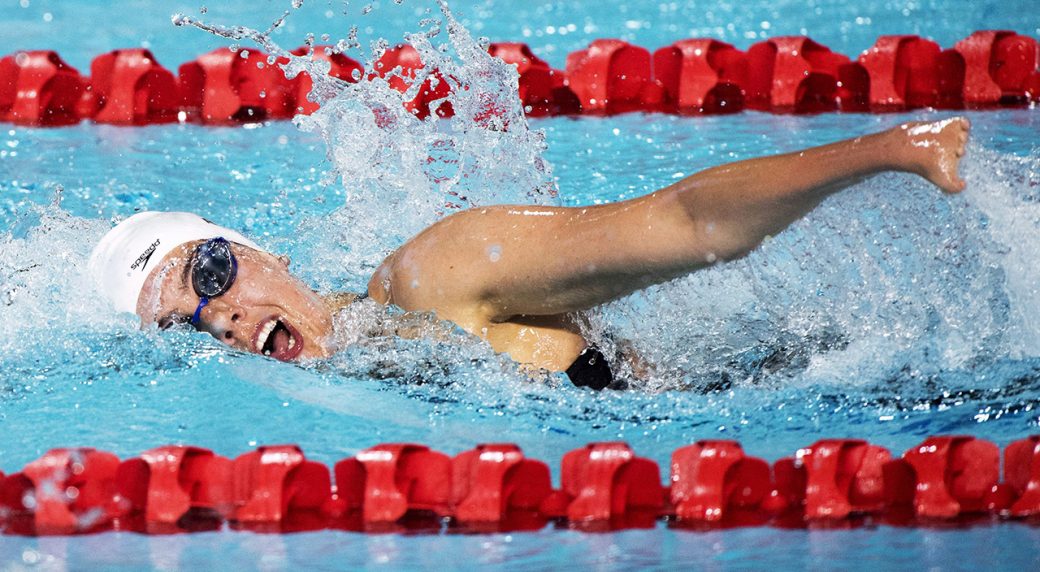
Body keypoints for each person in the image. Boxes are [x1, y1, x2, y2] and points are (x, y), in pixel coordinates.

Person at [89, 117, 971, 390]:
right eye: (188, 323)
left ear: (259, 251)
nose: (226, 314)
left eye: (211, 273)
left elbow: (683, 224)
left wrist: (890, 151)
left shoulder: (431, 278)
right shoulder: (357, 382)